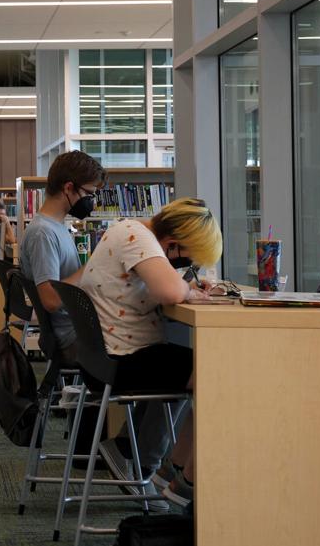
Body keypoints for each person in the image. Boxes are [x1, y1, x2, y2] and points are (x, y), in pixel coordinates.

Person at [79, 198, 223, 507]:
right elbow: (170, 292)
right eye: (189, 258)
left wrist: (187, 288)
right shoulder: (137, 236)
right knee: (207, 370)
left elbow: (158, 288)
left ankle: (145, 458)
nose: (188, 265)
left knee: (183, 365)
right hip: (119, 360)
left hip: (109, 356)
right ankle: (153, 467)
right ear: (173, 243)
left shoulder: (130, 231)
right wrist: (187, 291)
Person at [18, 150, 106, 363]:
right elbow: (51, 300)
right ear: (68, 188)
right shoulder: (43, 233)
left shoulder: (56, 227)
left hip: (78, 329)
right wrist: (93, 264)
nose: (91, 201)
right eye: (89, 193)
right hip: (72, 338)